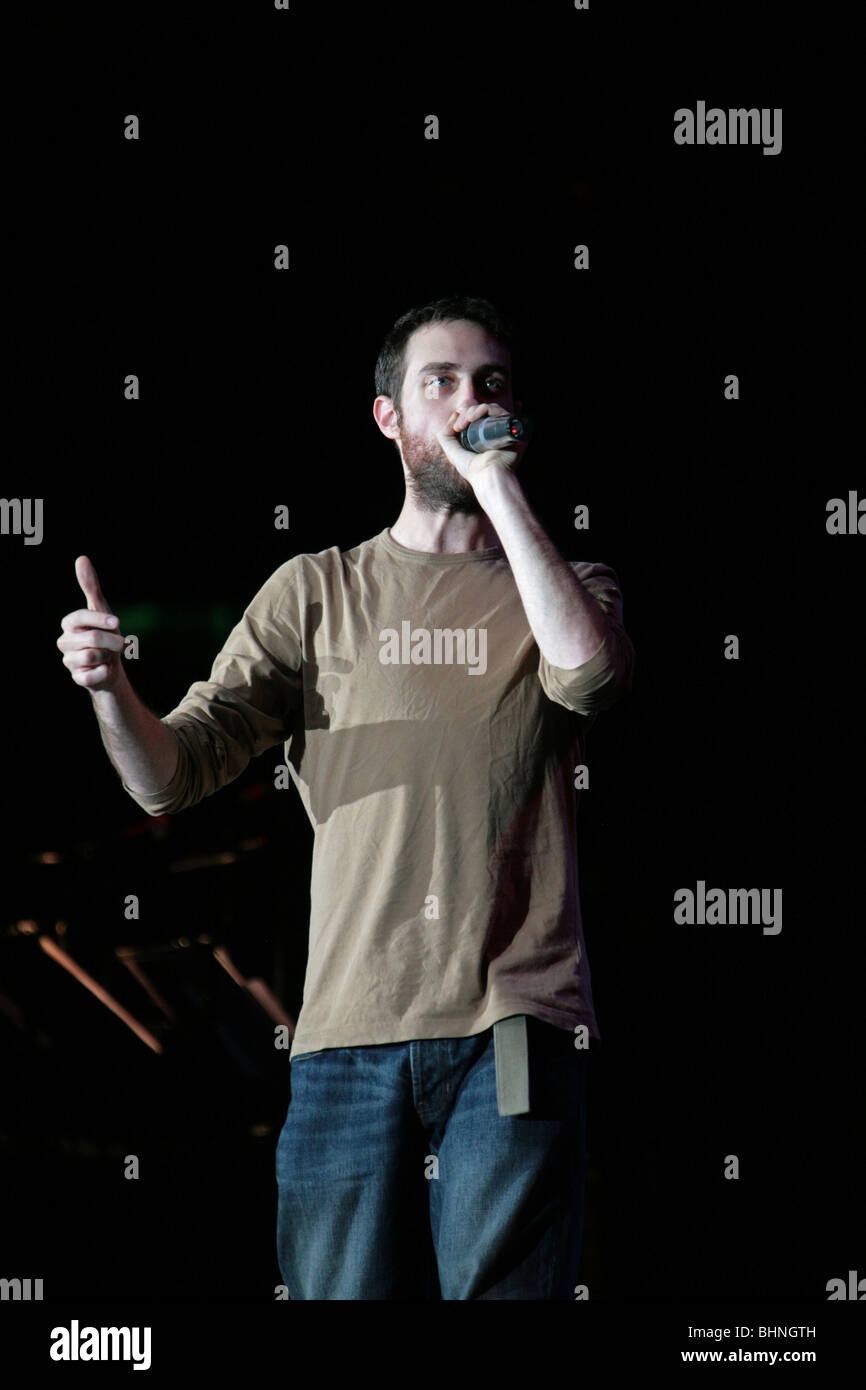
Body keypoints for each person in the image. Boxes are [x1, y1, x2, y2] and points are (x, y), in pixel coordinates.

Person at [56, 294, 635, 1300]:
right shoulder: (314, 590)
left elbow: (588, 674)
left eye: (488, 383)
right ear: (388, 419)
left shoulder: (568, 582)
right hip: (342, 1038)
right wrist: (113, 694)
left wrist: (495, 488)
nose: (467, 401)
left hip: (512, 1023)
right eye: (440, 383)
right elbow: (172, 772)